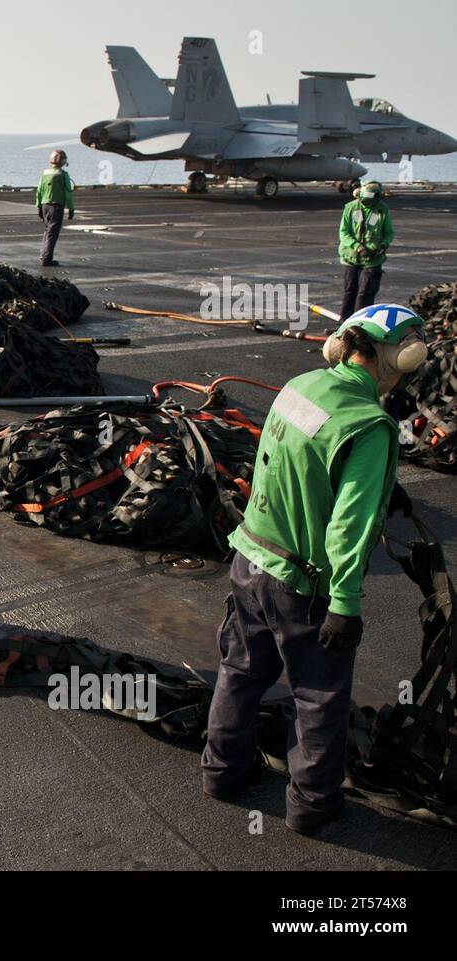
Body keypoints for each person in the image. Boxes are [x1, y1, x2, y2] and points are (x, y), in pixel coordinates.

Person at [202, 304, 429, 836]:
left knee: (240, 671)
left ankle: (221, 772)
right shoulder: (370, 425)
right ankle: (312, 806)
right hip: (301, 584)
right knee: (319, 698)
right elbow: (347, 530)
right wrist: (345, 604)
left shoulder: (300, 384)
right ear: (397, 357)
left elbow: (284, 465)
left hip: (250, 557)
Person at [338, 181, 394, 322]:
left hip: (372, 259)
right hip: (350, 257)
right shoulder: (350, 208)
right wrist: (358, 247)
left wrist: (383, 244)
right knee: (350, 291)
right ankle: (344, 323)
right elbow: (344, 232)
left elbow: (389, 233)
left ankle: (360, 323)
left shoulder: (382, 210)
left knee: (366, 293)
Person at [36, 149, 76, 267]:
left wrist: (38, 206)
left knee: (47, 231)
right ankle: (47, 260)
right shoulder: (63, 175)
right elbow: (68, 193)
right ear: (63, 161)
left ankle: (43, 255)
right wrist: (71, 209)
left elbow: (39, 191)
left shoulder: (44, 173)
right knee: (52, 233)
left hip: (44, 206)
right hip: (56, 206)